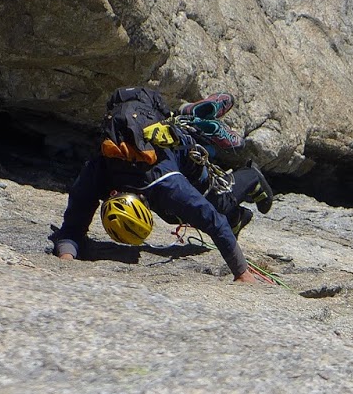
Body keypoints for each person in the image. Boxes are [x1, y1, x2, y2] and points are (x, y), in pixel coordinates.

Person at [49, 89, 275, 284]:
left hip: (177, 153)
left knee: (218, 204)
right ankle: (183, 115)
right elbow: (71, 231)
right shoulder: (97, 173)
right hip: (144, 126)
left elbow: (214, 220)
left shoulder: (165, 184)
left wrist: (242, 273)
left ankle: (249, 174)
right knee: (181, 213)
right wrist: (66, 261)